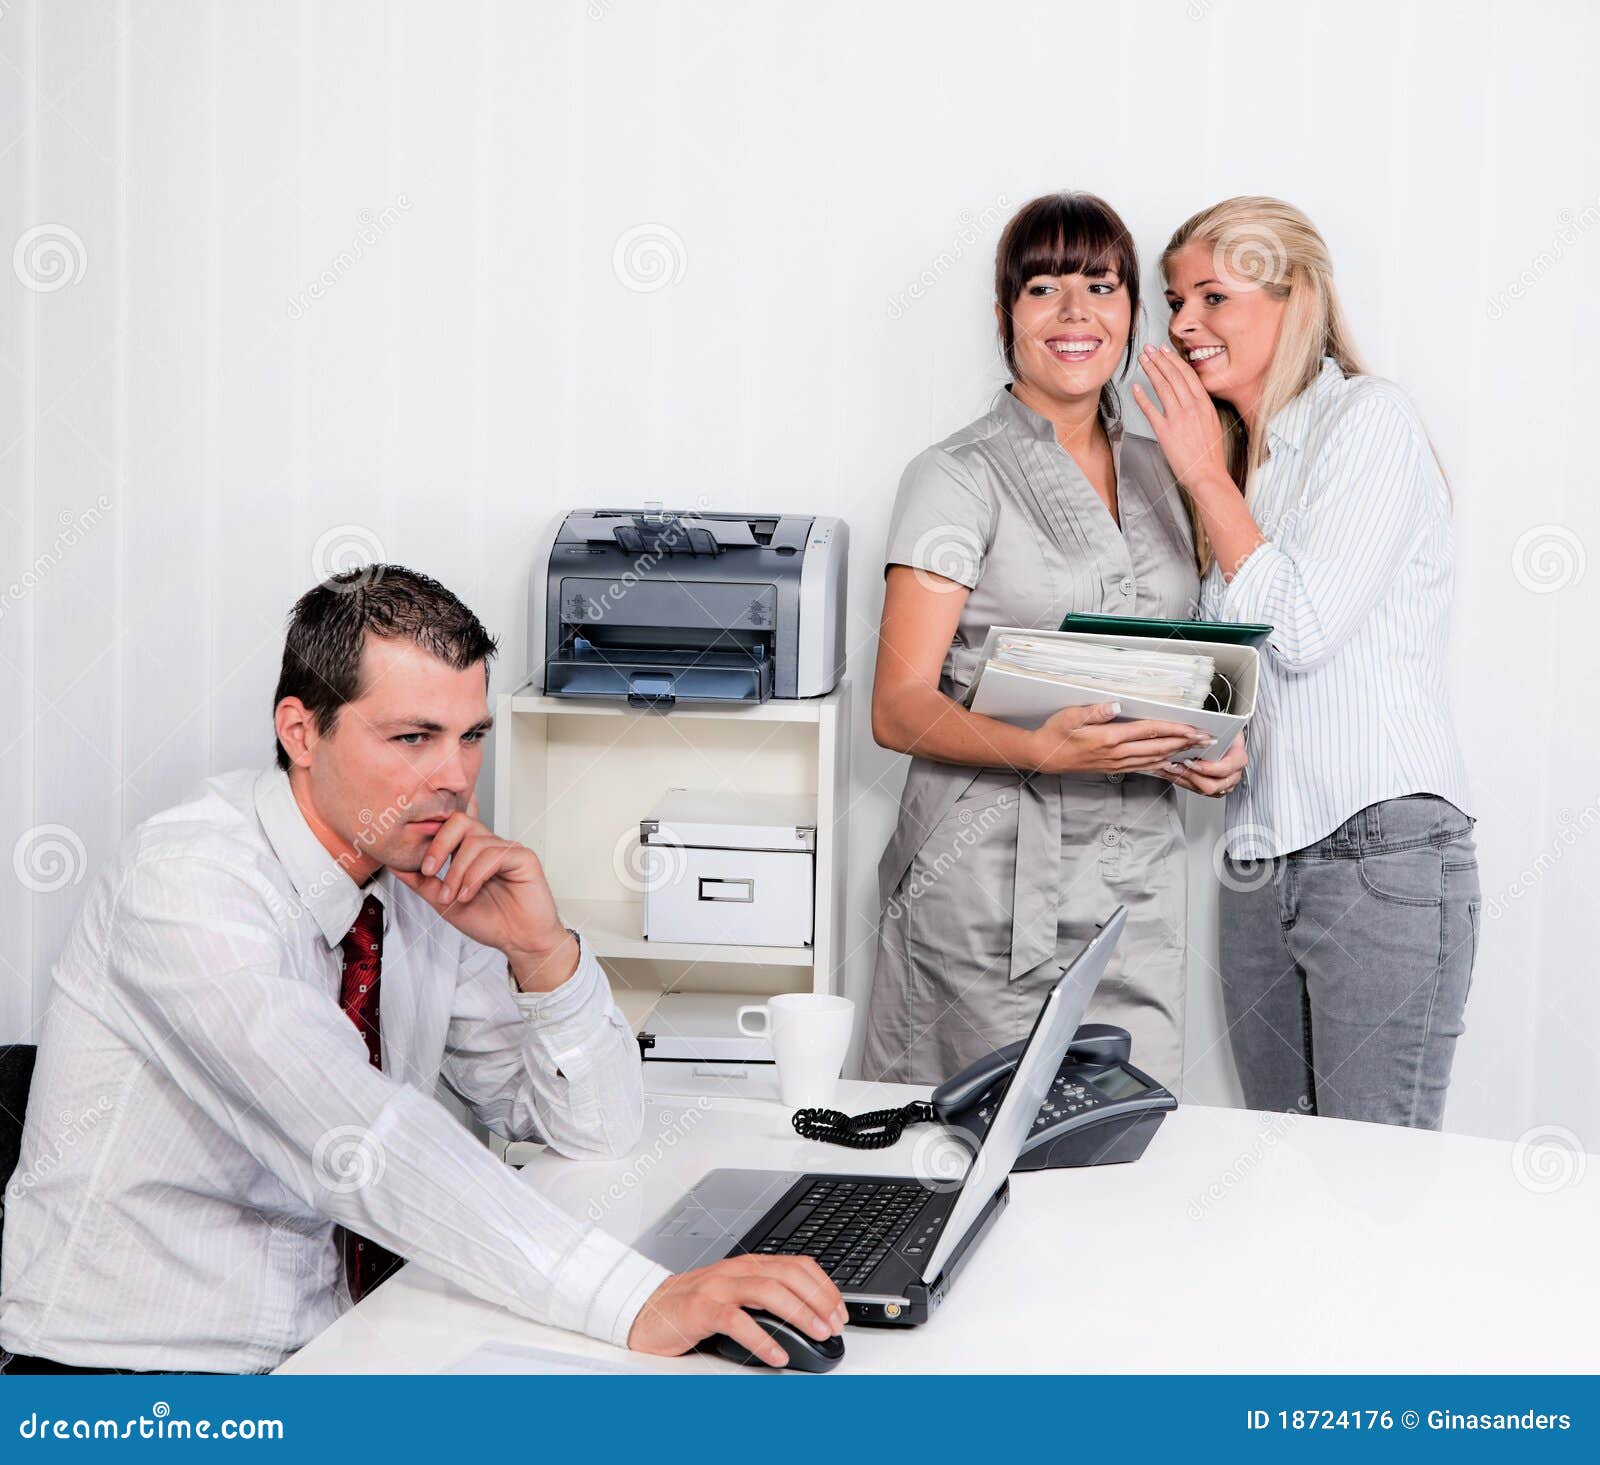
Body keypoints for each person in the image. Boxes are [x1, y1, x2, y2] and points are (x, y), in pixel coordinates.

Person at [0, 566, 841, 1373]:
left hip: (342, 1340)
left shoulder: (416, 871)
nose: (454, 778)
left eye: (471, 736)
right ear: (301, 731)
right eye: (413, 738)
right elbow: (362, 1140)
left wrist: (542, 954)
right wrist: (636, 1299)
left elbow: (597, 1130)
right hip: (137, 1375)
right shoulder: (188, 883)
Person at [862, 192, 1247, 1092]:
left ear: (1132, 313)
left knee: (1123, 1144)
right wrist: (1039, 749)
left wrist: (1217, 747)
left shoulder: (1171, 471)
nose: (1076, 315)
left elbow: (1192, 665)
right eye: (1044, 288)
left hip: (1135, 881)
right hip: (988, 884)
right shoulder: (956, 477)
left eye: (1101, 288)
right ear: (1006, 317)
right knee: (972, 1149)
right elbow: (897, 705)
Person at [1136, 195, 1479, 1129]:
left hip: (1381, 857)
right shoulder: (1244, 466)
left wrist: (1205, 474)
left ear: (1296, 302)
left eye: (1212, 297)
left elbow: (1307, 626)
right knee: (1281, 1182)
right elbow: (1240, 673)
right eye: (1174, 301)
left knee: (1373, 1182)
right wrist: (1212, 744)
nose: (1181, 325)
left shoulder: (1369, 422)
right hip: (1257, 866)